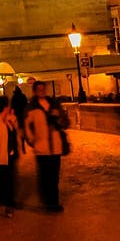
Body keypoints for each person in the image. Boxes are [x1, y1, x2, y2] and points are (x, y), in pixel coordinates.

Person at [24, 80, 70, 212]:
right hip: (41, 149)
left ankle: (54, 203)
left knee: (54, 177)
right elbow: (27, 127)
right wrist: (33, 141)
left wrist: (58, 119)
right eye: (38, 90)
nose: (41, 92)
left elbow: (65, 123)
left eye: (43, 89)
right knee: (44, 177)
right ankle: (46, 202)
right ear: (34, 91)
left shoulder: (54, 105)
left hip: (55, 147)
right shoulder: (31, 108)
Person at [10, 85, 27, 153]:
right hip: (22, 116)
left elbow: (12, 106)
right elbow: (26, 105)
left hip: (16, 116)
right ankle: (22, 147)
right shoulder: (23, 96)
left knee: (15, 132)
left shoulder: (14, 97)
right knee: (22, 132)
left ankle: (15, 147)